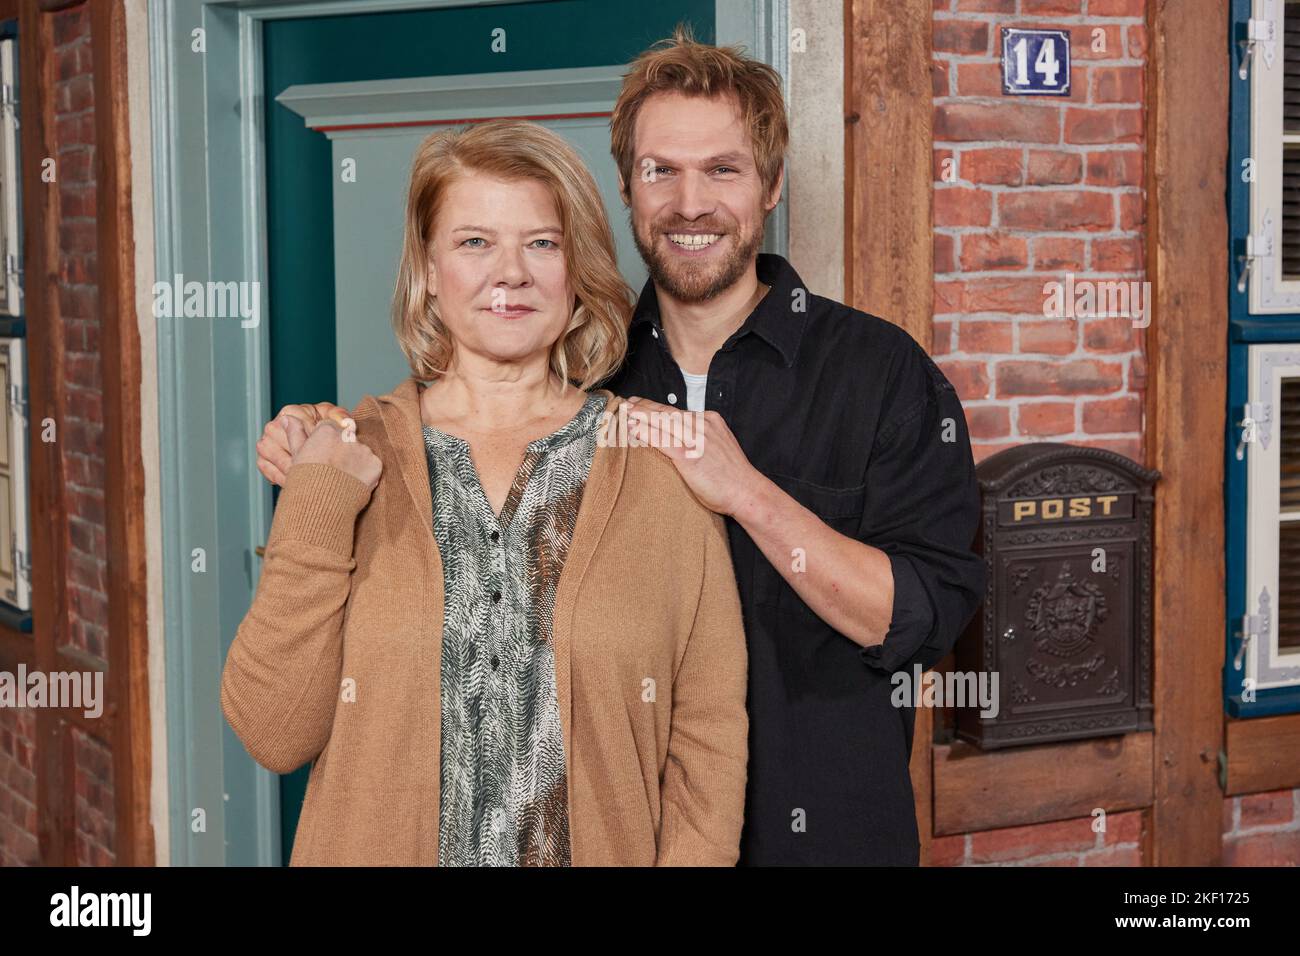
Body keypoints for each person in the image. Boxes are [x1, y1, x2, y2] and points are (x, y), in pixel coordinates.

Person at [257, 27, 985, 866]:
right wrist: (318, 435)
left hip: (822, 835)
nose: (689, 203)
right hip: (629, 836)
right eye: (660, 171)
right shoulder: (586, 373)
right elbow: (448, 419)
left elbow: (922, 618)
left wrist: (745, 491)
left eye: (722, 169)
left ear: (773, 184)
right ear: (627, 190)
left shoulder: (881, 373)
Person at [222, 119, 749, 866]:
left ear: (577, 269)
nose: (512, 273)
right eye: (474, 243)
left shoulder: (660, 462)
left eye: (542, 242)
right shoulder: (346, 456)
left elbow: (708, 742)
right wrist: (313, 503)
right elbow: (274, 732)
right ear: (430, 270)